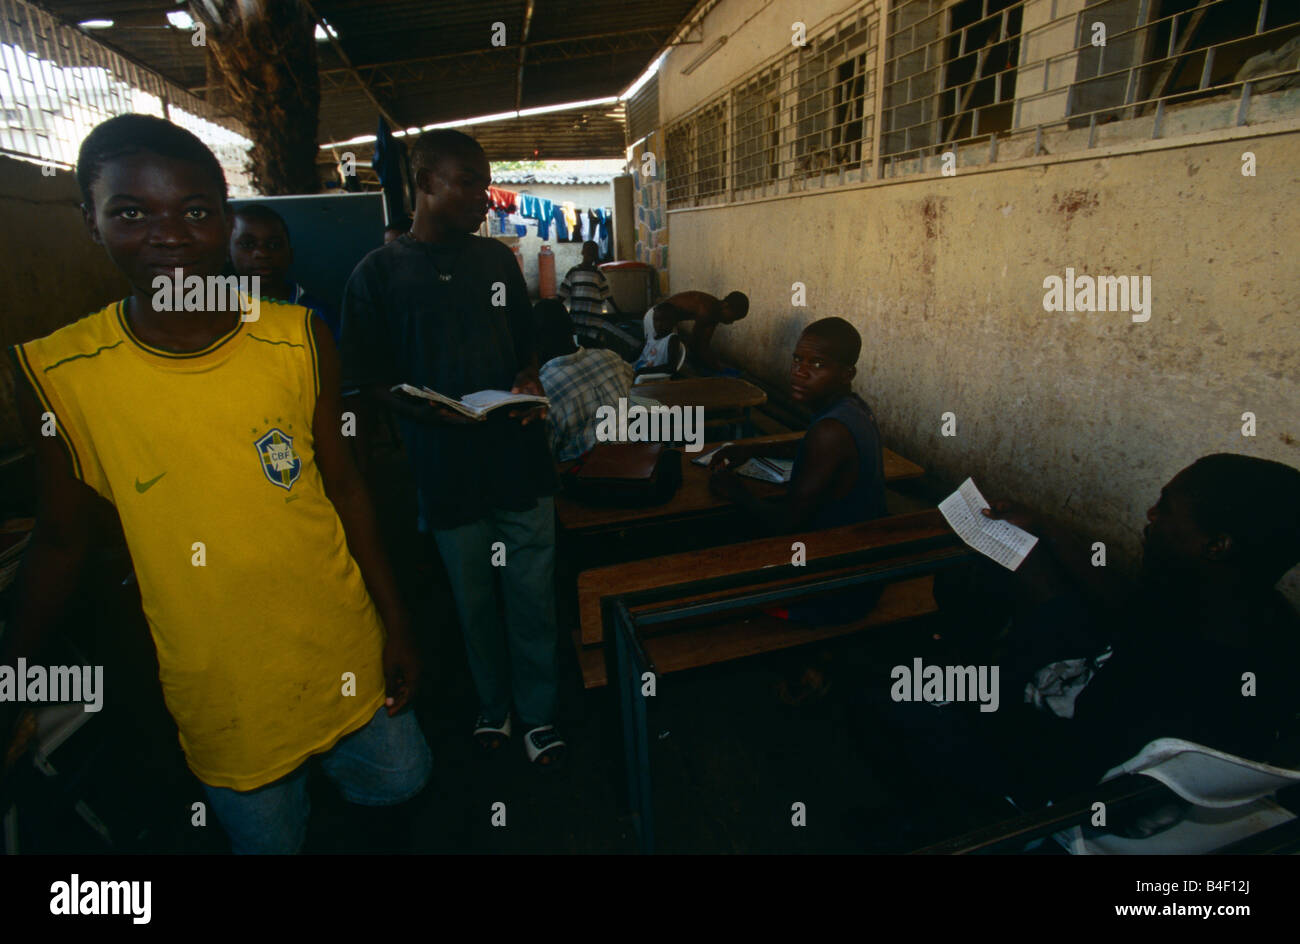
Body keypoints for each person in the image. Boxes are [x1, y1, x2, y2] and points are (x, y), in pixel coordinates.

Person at [0, 114, 429, 854]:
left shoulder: (294, 337)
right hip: (219, 683)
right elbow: (62, 539)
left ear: (223, 219)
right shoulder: (61, 373)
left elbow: (347, 488)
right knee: (265, 835)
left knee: (397, 784)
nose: (170, 235)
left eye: (195, 211)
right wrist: (13, 674)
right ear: (90, 222)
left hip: (339, 646)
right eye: (131, 212)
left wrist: (395, 622)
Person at [853, 454, 1300, 850]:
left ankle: (934, 821)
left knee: (889, 690)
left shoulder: (1175, 669)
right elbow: (1127, 606)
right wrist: (1045, 527)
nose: (1151, 514)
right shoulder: (1255, 616)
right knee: (1033, 571)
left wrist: (980, 683)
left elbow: (1062, 753)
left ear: (1216, 546)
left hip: (1070, 789)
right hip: (1112, 725)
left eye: (1165, 508)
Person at [339, 129, 566, 766]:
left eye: (484, 180)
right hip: (446, 474)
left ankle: (540, 714)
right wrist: (428, 412)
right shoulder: (377, 275)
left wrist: (526, 378)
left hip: (520, 467)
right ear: (426, 183)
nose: (484, 197)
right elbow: (369, 378)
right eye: (469, 180)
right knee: (473, 605)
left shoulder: (496, 263)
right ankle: (492, 706)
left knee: (532, 600)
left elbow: (527, 344)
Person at [708, 317, 887, 702]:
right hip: (863, 567)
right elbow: (810, 446)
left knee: (719, 553)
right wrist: (751, 449)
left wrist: (734, 491)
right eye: (797, 359)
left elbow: (787, 526)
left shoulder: (830, 431)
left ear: (846, 372)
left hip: (835, 590)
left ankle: (803, 665)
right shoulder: (853, 410)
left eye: (816, 365)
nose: (799, 372)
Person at [534, 299, 634, 462]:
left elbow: (545, 456)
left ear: (535, 341)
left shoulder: (545, 388)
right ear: (572, 330)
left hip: (587, 481)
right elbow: (630, 378)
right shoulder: (611, 358)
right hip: (631, 466)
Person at [229, 203, 340, 340]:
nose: (262, 253)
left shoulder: (316, 314)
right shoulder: (219, 311)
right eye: (247, 245)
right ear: (227, 253)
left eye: (274, 245)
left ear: (290, 254)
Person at [635, 289, 748, 372]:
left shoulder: (714, 312)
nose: (732, 322)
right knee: (658, 360)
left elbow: (703, 345)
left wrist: (714, 366)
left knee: (663, 357)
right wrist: (719, 370)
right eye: (733, 317)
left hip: (662, 319)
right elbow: (697, 346)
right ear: (726, 306)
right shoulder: (709, 311)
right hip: (657, 319)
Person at [558, 240, 620, 347]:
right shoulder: (573, 272)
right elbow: (562, 294)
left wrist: (618, 311)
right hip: (577, 317)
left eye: (593, 252)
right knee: (579, 345)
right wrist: (554, 309)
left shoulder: (598, 274)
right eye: (588, 251)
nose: (590, 254)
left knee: (592, 345)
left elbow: (607, 294)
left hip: (594, 319)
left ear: (596, 255)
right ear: (582, 252)